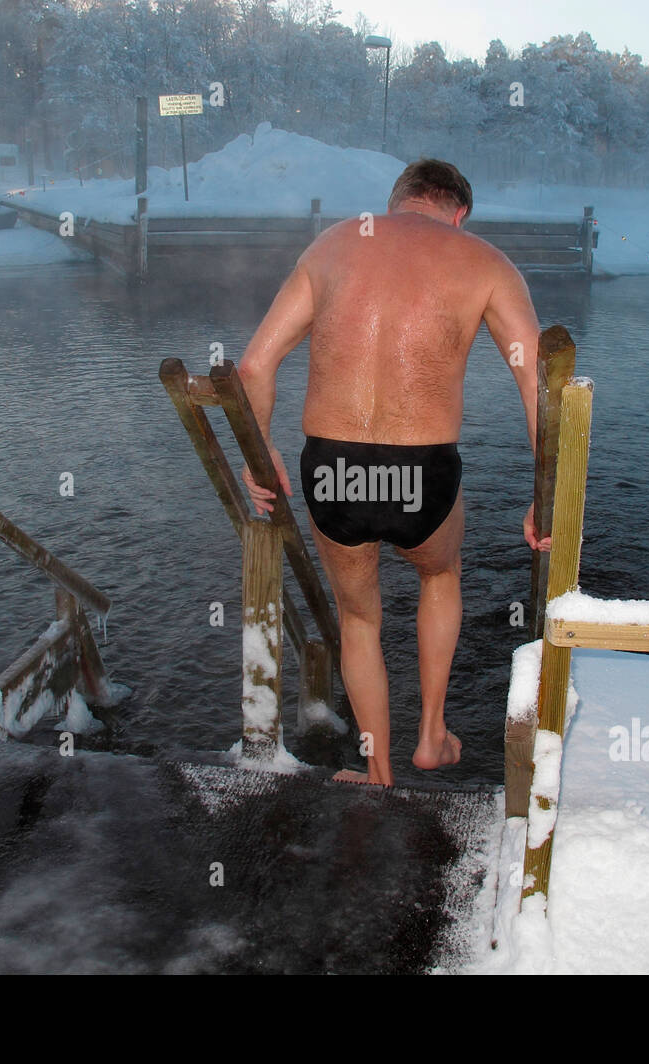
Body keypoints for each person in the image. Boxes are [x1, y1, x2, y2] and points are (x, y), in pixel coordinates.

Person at [238, 158, 549, 787]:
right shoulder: (484, 261)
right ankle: (431, 734)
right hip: (421, 471)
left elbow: (251, 368)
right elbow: (537, 384)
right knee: (440, 575)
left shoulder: (332, 246)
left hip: (333, 467)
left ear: (396, 202)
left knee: (359, 619)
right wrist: (545, 494)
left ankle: (376, 769)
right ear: (458, 211)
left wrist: (261, 454)